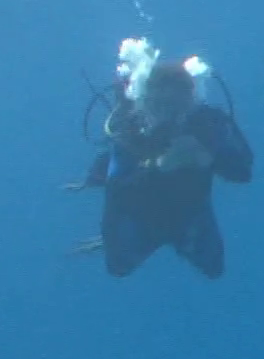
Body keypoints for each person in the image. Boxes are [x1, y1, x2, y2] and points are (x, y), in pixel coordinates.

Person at [70, 39, 253, 279]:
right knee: (118, 266)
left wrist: (207, 157)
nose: (168, 115)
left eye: (177, 105)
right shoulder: (130, 130)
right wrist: (157, 167)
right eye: (159, 105)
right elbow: (116, 189)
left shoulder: (207, 124)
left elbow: (243, 170)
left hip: (191, 212)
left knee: (213, 267)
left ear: (192, 102)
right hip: (144, 216)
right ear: (143, 102)